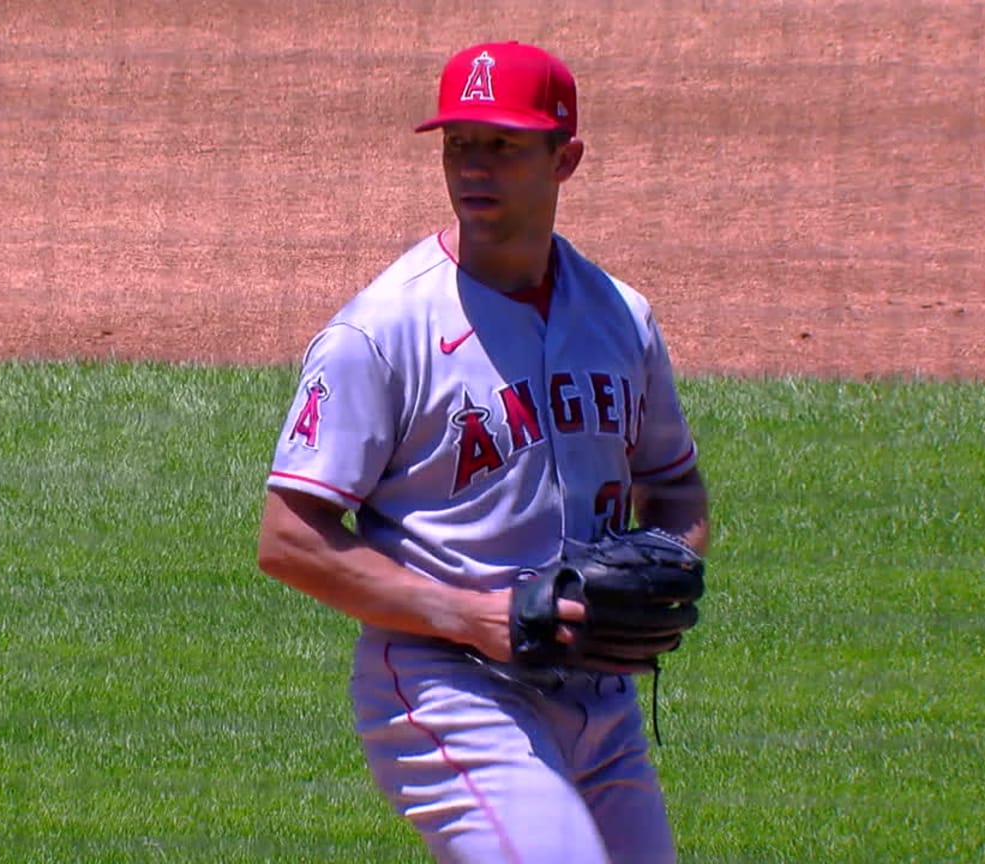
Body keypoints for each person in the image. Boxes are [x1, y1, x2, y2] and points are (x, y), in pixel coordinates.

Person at [256, 40, 710, 864]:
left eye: (502, 145)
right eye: (459, 143)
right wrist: (476, 617)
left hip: (600, 698)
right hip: (446, 682)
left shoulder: (622, 317)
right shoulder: (381, 330)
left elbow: (676, 492)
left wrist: (665, 564)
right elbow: (288, 540)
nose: (474, 167)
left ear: (564, 158)